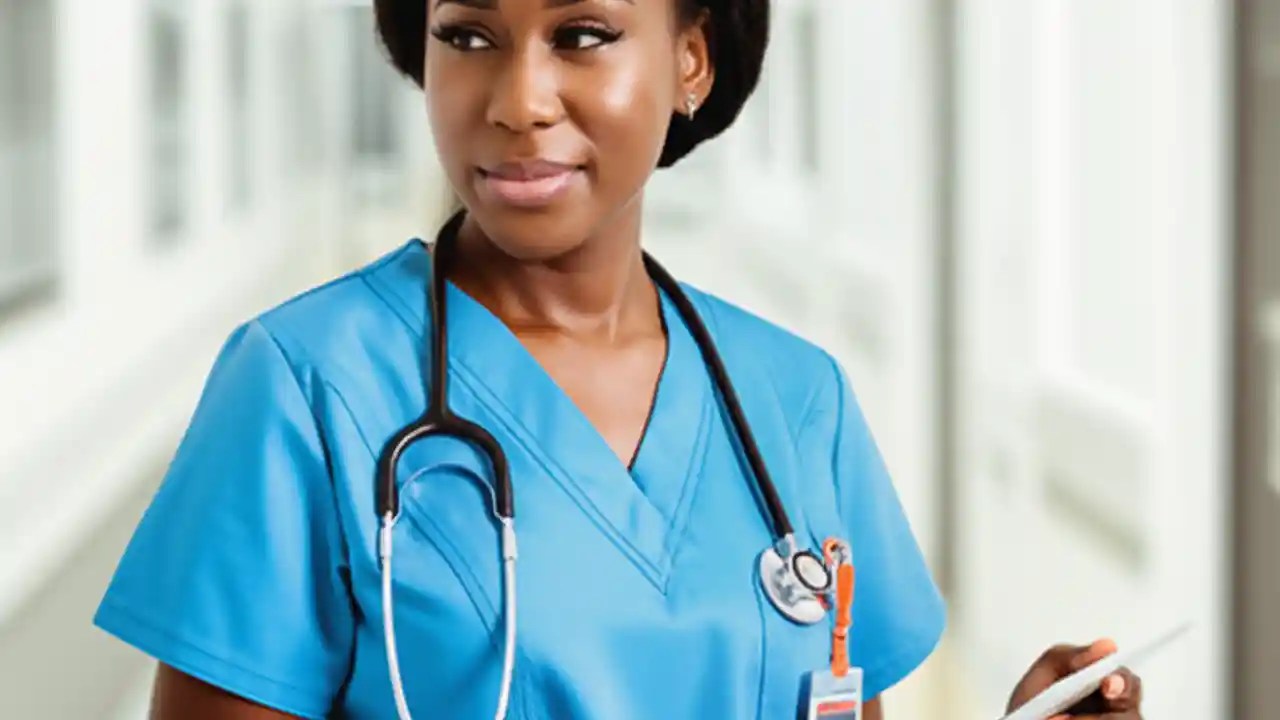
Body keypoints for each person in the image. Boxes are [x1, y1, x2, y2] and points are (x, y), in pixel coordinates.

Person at [93, 0, 1144, 718]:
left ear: (691, 59)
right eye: (467, 35)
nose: (517, 99)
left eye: (582, 34)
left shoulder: (794, 399)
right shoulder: (305, 384)